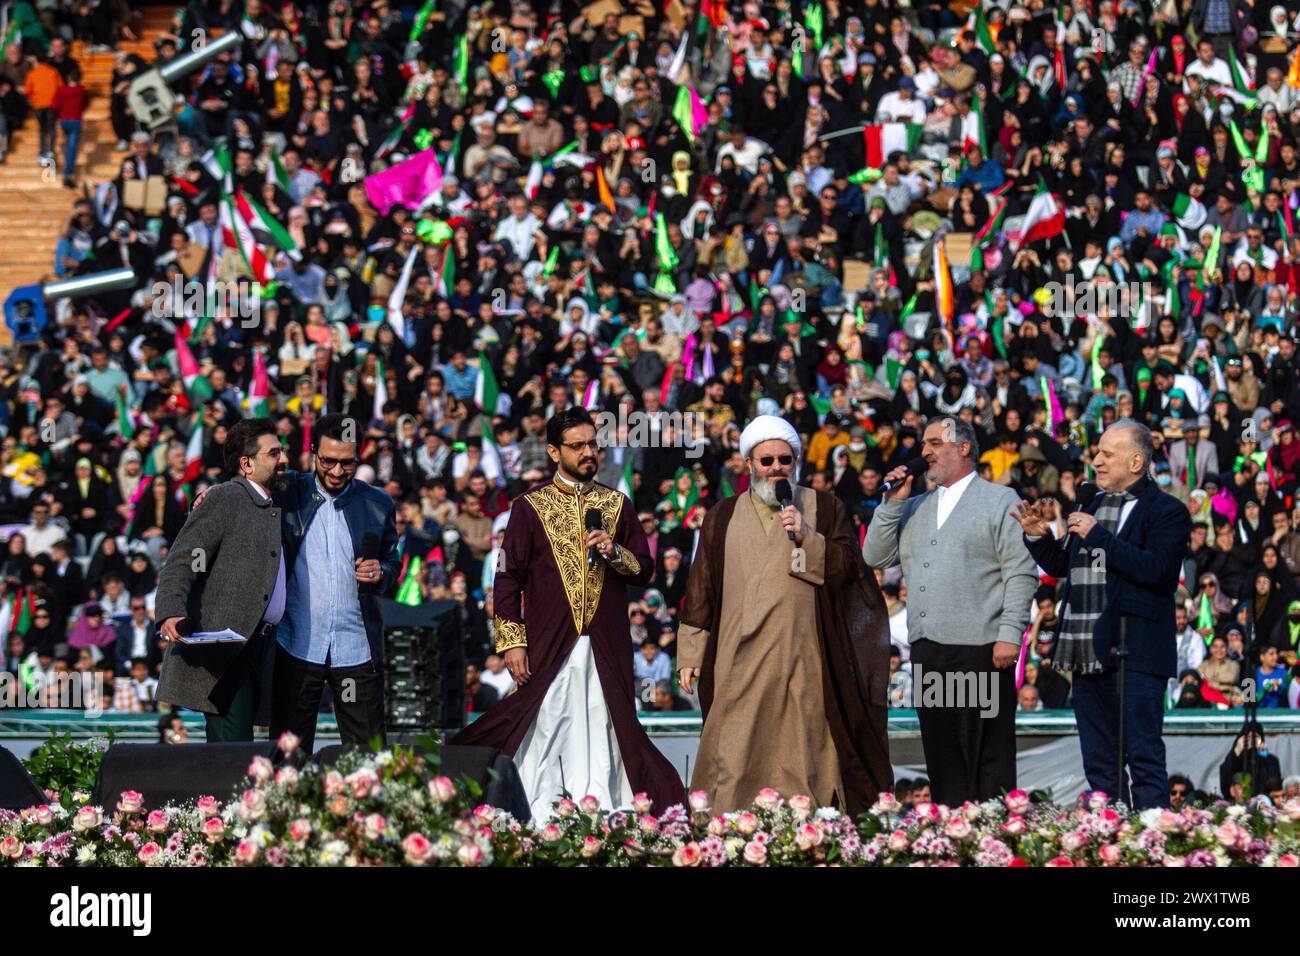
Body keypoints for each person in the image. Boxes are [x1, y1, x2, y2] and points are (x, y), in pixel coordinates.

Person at [449, 408, 684, 821]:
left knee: (609, 725)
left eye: (593, 444)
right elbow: (507, 580)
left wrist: (616, 552)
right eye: (578, 446)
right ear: (554, 452)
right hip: (547, 645)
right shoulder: (529, 507)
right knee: (545, 722)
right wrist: (512, 642)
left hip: (607, 646)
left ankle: (607, 811)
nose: (589, 453)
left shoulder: (617, 505)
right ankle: (539, 813)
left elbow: (645, 569)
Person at [678, 414, 892, 814]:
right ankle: (732, 826)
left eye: (784, 459)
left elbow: (849, 567)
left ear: (796, 461)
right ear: (748, 464)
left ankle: (807, 827)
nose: (776, 467)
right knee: (737, 743)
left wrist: (808, 538)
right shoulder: (721, 515)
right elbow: (701, 586)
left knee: (806, 740)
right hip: (736, 652)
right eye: (766, 460)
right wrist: (690, 654)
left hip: (805, 648)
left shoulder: (824, 507)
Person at [1014, 420, 1192, 809]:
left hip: (1137, 652)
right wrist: (1037, 536)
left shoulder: (1169, 511)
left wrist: (1099, 537)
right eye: (1096, 452)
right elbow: (1064, 565)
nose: (1095, 460)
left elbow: (1158, 572)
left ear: (1135, 461)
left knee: (1143, 758)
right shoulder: (1092, 504)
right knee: (1099, 764)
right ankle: (1107, 841)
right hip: (1085, 650)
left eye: (1106, 454)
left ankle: (1150, 842)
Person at [864, 415, 1037, 807]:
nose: (924, 452)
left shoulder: (999, 499)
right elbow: (873, 554)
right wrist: (892, 503)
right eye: (923, 445)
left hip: (981, 648)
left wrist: (1010, 633)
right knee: (943, 757)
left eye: (934, 443)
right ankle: (952, 840)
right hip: (929, 649)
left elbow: (1020, 571)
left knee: (986, 756)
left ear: (963, 448)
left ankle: (993, 841)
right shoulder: (914, 506)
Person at [266, 413, 400, 754]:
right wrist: (211, 495)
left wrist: (381, 571)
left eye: (347, 463)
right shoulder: (288, 490)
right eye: (328, 461)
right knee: (288, 757)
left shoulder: (378, 503)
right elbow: (244, 487)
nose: (337, 471)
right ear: (313, 454)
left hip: (355, 648)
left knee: (368, 759)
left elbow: (392, 565)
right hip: (297, 645)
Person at [155, 418, 288, 742]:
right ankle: (222, 797)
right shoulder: (226, 497)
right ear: (246, 464)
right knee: (232, 749)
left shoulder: (276, 498)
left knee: (256, 748)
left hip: (268, 645)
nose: (283, 459)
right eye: (273, 454)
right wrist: (171, 610)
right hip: (228, 648)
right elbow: (183, 558)